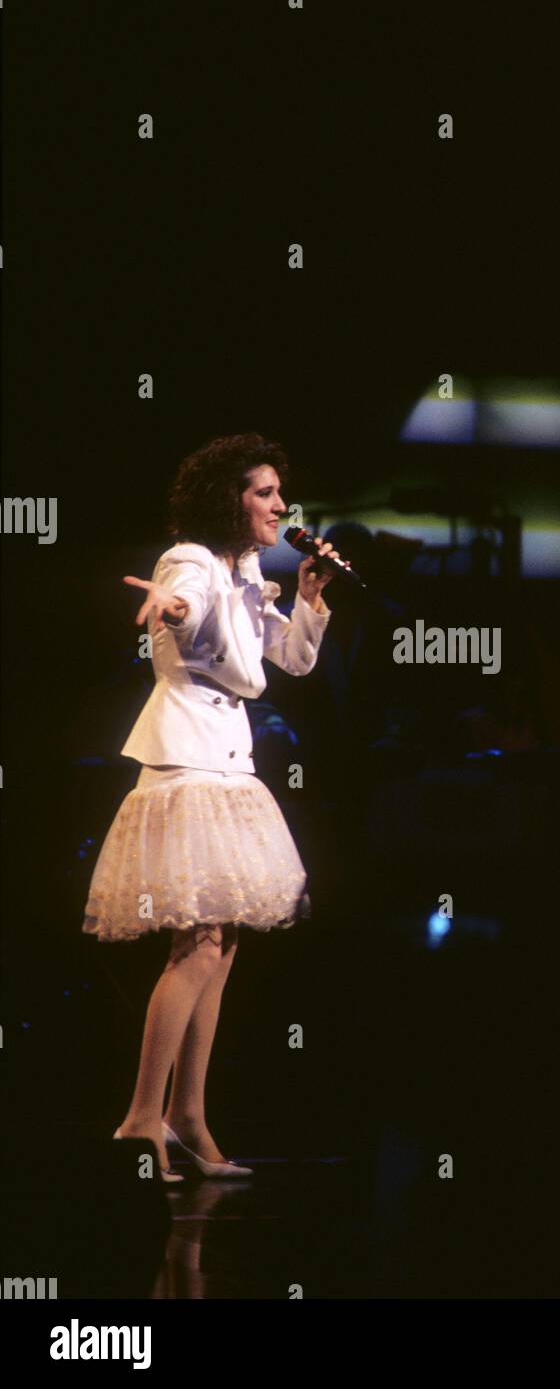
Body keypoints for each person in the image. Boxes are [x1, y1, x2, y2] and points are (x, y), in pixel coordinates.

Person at [82, 433, 342, 1181]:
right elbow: (185, 609)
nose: (280, 505)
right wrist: (169, 608)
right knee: (196, 944)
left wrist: (310, 598)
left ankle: (188, 1116)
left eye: (279, 493)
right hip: (187, 758)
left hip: (227, 756)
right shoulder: (192, 560)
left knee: (220, 948)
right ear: (230, 497)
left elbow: (289, 661)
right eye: (264, 492)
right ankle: (141, 1117)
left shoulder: (247, 569)